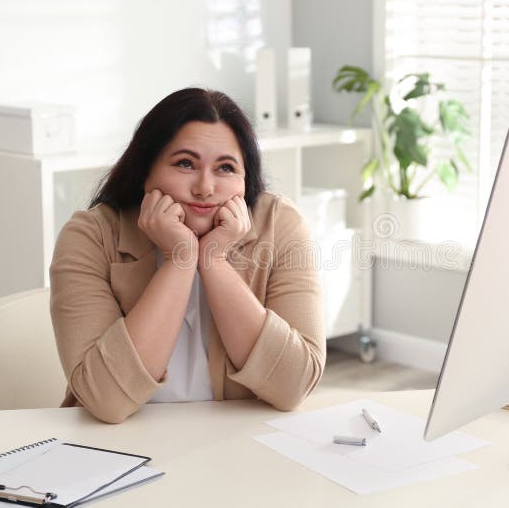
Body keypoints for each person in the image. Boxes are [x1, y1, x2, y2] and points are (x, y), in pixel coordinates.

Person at [49, 88, 325, 423]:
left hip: (235, 441)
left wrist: (213, 260)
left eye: (226, 168)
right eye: (185, 164)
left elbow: (293, 386)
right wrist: (179, 260)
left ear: (245, 179)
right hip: (115, 443)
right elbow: (107, 400)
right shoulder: (89, 236)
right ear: (145, 170)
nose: (205, 188)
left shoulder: (279, 224)